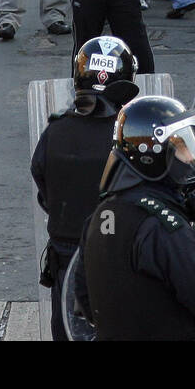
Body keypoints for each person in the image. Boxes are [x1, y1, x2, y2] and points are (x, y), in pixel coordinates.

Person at [71, 95, 195, 340]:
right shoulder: (161, 227)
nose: (190, 158)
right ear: (154, 155)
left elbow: (85, 300)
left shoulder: (100, 215)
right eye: (183, 147)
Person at [33, 36, 138, 340]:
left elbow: (43, 188)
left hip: (66, 258)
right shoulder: (128, 136)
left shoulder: (55, 130)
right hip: (117, 259)